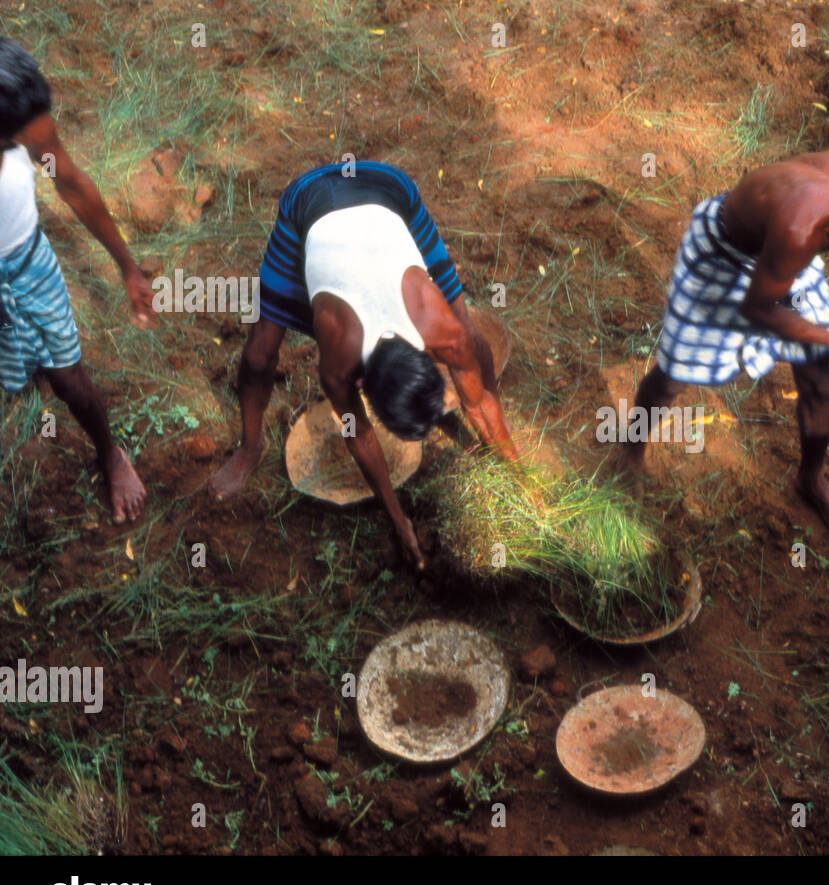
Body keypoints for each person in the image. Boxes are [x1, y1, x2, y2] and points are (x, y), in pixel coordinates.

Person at [622, 149, 829, 541]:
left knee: (817, 377)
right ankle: (628, 451)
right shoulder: (804, 224)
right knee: (673, 376)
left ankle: (811, 481)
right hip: (727, 252)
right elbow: (758, 309)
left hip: (785, 256)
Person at [209, 160, 517, 570]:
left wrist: (519, 478)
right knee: (259, 353)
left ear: (428, 357)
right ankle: (250, 447)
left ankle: (515, 467)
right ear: (362, 384)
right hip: (312, 199)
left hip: (390, 189)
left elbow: (477, 402)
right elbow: (358, 432)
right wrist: (397, 518)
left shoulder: (446, 332)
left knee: (470, 333)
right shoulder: (337, 360)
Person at [0, 37, 153, 524]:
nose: (33, 148)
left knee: (69, 377)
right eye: (17, 144)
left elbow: (68, 183)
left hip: (28, 265)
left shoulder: (25, 122)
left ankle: (108, 453)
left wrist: (127, 266)